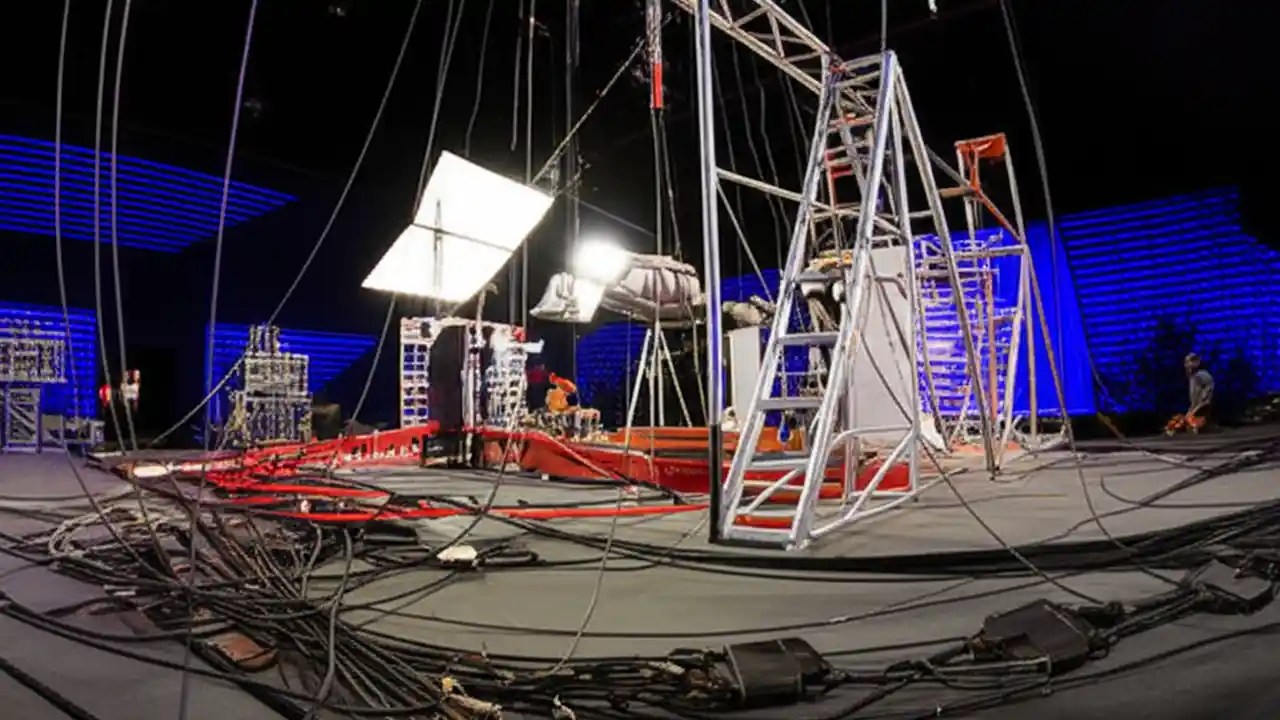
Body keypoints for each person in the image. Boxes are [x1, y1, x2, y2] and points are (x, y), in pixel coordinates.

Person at [1184, 353, 1215, 427]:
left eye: (1190, 362)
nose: (1187, 365)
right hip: (1196, 408)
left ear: (1197, 362)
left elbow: (1206, 398)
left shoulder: (1202, 376)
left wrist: (1193, 412)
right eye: (1186, 362)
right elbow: (1194, 399)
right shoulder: (1193, 378)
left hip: (1203, 409)